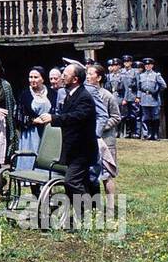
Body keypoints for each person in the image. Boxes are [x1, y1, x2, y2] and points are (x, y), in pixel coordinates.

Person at [44, 61, 98, 228]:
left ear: (74, 79)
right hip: (71, 148)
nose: (62, 77)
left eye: (65, 75)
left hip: (82, 150)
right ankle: (75, 218)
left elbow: (75, 117)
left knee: (71, 182)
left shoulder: (84, 97)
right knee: (77, 183)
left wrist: (54, 118)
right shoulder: (70, 94)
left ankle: (89, 211)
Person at [86, 63, 121, 200]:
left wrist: (100, 127)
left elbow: (116, 117)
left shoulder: (107, 96)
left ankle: (111, 208)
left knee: (106, 175)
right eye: (87, 74)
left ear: (99, 77)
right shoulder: (85, 93)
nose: (88, 76)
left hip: (106, 140)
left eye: (91, 74)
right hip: (90, 139)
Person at [17, 67, 53, 166]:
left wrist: (50, 118)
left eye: (36, 77)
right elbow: (18, 115)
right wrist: (33, 120)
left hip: (48, 131)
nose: (32, 80)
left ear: (42, 79)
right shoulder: (25, 94)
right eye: (30, 77)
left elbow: (57, 111)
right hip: (31, 133)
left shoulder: (52, 93)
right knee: (30, 158)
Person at [137, 57, 166, 139]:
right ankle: (149, 133)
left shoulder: (156, 75)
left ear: (152, 65)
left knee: (155, 117)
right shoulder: (141, 75)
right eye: (146, 65)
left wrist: (157, 91)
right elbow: (139, 88)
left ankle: (155, 134)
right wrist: (138, 97)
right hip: (144, 98)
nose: (147, 66)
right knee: (146, 117)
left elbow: (164, 85)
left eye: (149, 64)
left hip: (154, 98)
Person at [118, 53, 140, 138]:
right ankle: (127, 132)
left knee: (134, 114)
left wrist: (138, 96)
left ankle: (135, 132)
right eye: (125, 61)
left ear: (131, 62)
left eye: (128, 61)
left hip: (133, 95)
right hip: (123, 96)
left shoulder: (135, 72)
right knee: (125, 115)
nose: (126, 63)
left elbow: (138, 85)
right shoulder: (121, 72)